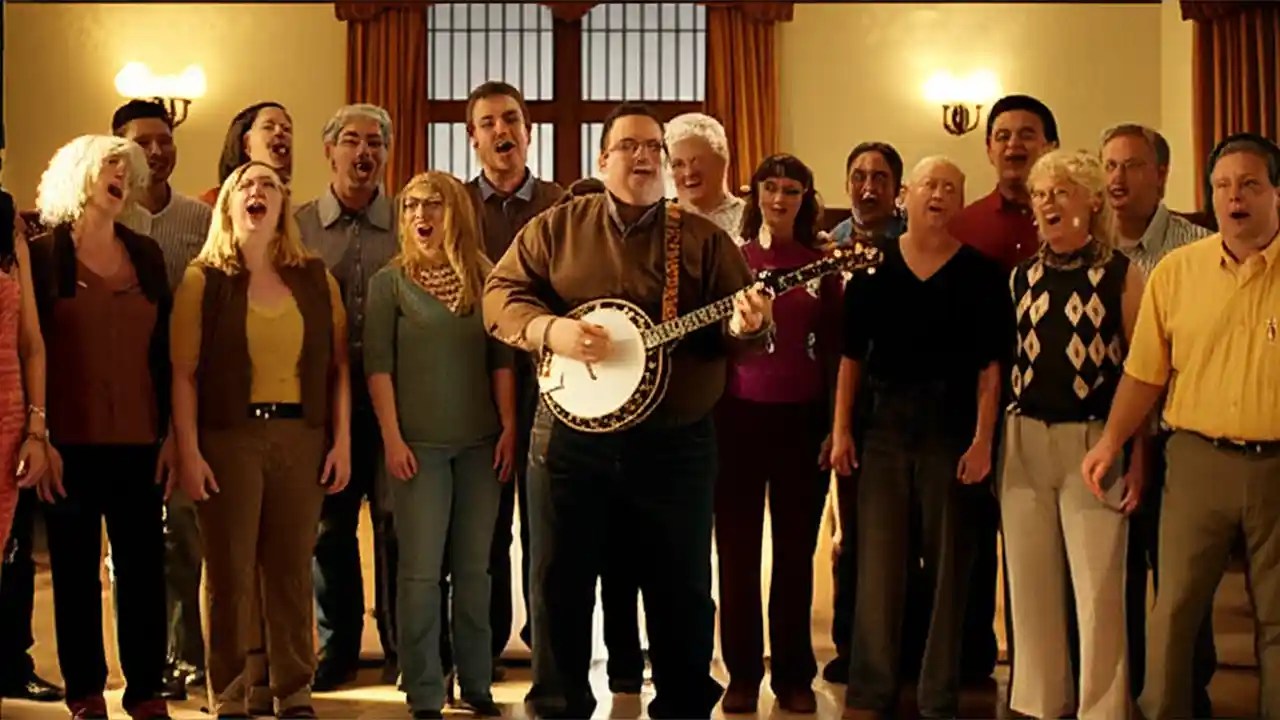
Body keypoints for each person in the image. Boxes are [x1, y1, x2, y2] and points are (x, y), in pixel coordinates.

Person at [483, 101, 773, 719]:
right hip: (568, 441)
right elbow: (499, 296)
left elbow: (740, 329)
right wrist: (550, 330)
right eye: (629, 146)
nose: (643, 157)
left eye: (653, 149)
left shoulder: (701, 238)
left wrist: (752, 324)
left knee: (684, 591)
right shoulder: (557, 229)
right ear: (602, 157)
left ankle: (685, 703)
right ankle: (558, 704)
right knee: (559, 584)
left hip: (675, 441)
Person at [1082, 133, 1280, 719]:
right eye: (1221, 186)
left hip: (1277, 470)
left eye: (1249, 184)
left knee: (1277, 618)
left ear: (1276, 192)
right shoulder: (1176, 272)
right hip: (1196, 462)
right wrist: (1111, 441)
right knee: (1173, 613)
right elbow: (1145, 372)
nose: (1233, 197)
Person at [171, 160, 351, 719]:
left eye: (268, 185)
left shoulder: (314, 276)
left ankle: (293, 689)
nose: (257, 191)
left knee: (292, 567)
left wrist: (341, 441)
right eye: (245, 185)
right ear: (228, 205)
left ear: (282, 206)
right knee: (228, 570)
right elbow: (182, 373)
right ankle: (229, 691)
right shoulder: (205, 279)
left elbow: (339, 367)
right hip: (228, 438)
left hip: (302, 435)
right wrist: (189, 451)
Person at [830, 157, 1006, 720]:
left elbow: (990, 371)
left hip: (951, 427)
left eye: (950, 188)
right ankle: (872, 689)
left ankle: (937, 692)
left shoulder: (980, 274)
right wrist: (840, 431)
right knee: (877, 562)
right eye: (931, 184)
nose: (939, 195)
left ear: (959, 203)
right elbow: (851, 359)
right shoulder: (872, 267)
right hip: (883, 425)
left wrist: (983, 441)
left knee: (952, 562)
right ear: (907, 196)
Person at [28, 135, 173, 720]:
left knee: (143, 571)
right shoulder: (44, 254)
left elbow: (164, 351)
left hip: (140, 440)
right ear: (80, 175)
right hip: (70, 442)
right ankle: (85, 690)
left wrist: (169, 435)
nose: (122, 175)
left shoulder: (146, 252)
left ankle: (145, 689)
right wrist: (39, 437)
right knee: (74, 571)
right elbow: (29, 348)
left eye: (126, 168)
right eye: (110, 165)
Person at [1001, 149, 1145, 720]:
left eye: (1062, 191)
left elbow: (1144, 371)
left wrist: (1137, 458)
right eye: (1040, 194)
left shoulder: (1121, 274)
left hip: (1095, 443)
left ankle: (1104, 709)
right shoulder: (1020, 276)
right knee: (1030, 592)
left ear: (1090, 200)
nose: (1048, 203)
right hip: (1023, 440)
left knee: (1099, 592)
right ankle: (1038, 705)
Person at [366, 171, 514, 719]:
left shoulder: (487, 276)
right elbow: (377, 367)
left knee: (476, 571)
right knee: (421, 573)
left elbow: (502, 360)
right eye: (410, 208)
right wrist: (392, 438)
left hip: (480, 446)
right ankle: (425, 687)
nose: (421, 217)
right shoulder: (391, 283)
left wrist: (508, 427)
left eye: (433, 205)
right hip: (417, 448)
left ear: (456, 211)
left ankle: (476, 684)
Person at [1100, 122, 1217, 715]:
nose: (1118, 178)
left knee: (1179, 581)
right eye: (1111, 166)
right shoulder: (1090, 247)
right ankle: (1124, 690)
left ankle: (1184, 694)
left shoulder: (1197, 249)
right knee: (1114, 575)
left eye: (1133, 165)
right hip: (1108, 438)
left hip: (1176, 440)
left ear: (1163, 174)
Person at [716, 154, 838, 715]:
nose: (780, 198)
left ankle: (793, 675)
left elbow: (838, 352)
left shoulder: (821, 264)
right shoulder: (733, 260)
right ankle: (741, 674)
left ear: (806, 197)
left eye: (792, 189)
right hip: (736, 421)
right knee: (737, 554)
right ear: (755, 194)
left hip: (802, 420)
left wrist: (835, 426)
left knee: (794, 555)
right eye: (771, 188)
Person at [949, 93, 1060, 686]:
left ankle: (1037, 671)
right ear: (988, 147)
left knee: (1038, 552)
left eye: (1028, 134)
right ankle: (971, 664)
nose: (1014, 145)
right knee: (970, 544)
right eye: (1003, 135)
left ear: (1050, 146)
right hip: (970, 410)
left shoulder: (1074, 221)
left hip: (1052, 410)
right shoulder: (963, 225)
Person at [461, 80, 563, 686]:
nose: (503, 131)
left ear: (528, 131)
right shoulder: (456, 204)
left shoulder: (560, 202)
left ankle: (548, 644)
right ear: (473, 137)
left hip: (553, 383)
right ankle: (487, 644)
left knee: (548, 525)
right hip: (475, 386)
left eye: (512, 120)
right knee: (487, 526)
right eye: (489, 123)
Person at [112, 97, 214, 699]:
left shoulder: (197, 223)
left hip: (182, 394)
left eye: (164, 140)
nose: (156, 151)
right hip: (121, 398)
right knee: (128, 545)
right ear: (119, 147)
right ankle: (140, 663)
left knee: (184, 535)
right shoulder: (103, 215)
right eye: (142, 141)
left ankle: (187, 657)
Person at [296, 103, 400, 690]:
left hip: (394, 404)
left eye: (376, 144)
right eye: (352, 142)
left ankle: (398, 644)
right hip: (323, 405)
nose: (364, 153)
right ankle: (337, 648)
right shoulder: (301, 225)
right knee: (328, 529)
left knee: (395, 526)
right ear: (330, 151)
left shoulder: (408, 222)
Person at [0, 201, 63, 708]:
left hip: (7, 419)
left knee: (10, 558)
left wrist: (37, 427)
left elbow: (32, 343)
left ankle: (10, 665)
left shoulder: (4, 221)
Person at [665, 112, 746, 237]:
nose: (689, 172)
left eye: (696, 161)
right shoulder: (658, 225)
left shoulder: (751, 221)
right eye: (678, 164)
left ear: (722, 161)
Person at [199, 102, 293, 206]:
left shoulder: (293, 212)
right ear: (246, 143)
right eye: (268, 127)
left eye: (287, 129)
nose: (280, 132)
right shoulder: (210, 205)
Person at [829, 142, 907, 245]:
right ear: (847, 186)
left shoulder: (913, 239)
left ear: (896, 189)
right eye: (858, 177)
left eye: (879, 178)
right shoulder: (834, 241)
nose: (869, 188)